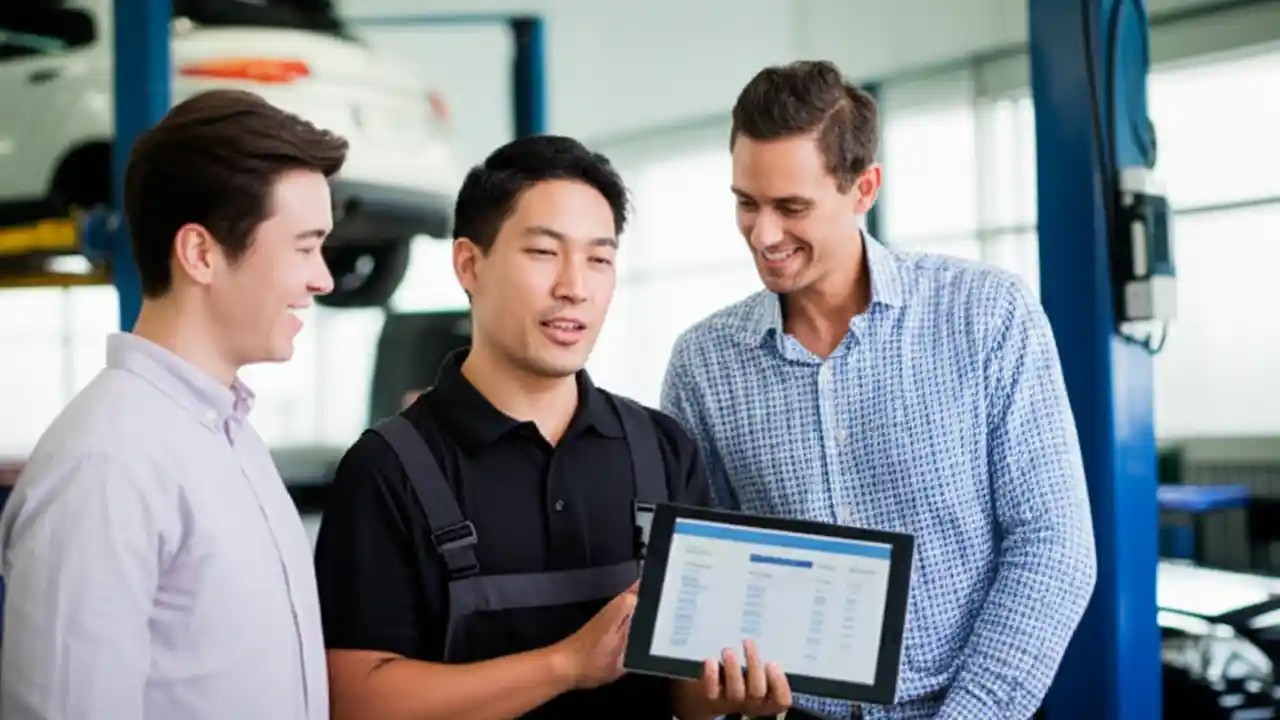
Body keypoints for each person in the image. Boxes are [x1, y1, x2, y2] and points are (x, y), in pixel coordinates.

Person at [661, 60, 1097, 720]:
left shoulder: (987, 316)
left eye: (792, 207)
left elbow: (1054, 547)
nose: (763, 234)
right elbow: (700, 582)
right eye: (746, 203)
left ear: (864, 188)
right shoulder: (704, 363)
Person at [314, 134, 792, 720]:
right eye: (544, 253)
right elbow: (356, 699)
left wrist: (732, 692)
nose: (575, 286)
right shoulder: (388, 470)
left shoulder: (663, 450)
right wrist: (566, 664)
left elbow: (681, 683)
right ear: (469, 263)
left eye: (599, 258)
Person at [0, 89, 346, 719]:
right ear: (200, 253)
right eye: (304, 246)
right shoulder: (105, 464)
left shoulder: (229, 435)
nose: (323, 277)